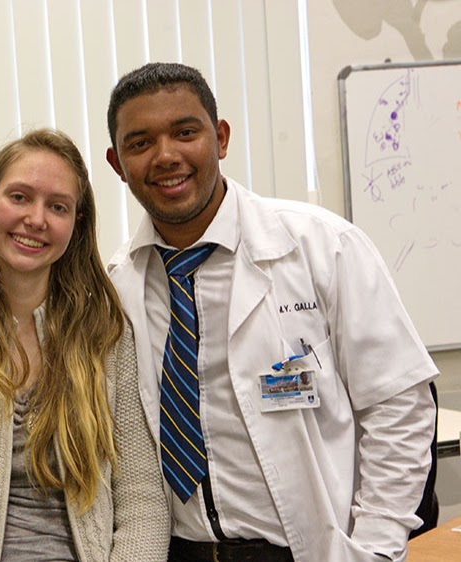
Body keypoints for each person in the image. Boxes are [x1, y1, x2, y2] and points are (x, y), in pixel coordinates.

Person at [104, 62, 438, 562]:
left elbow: (398, 407)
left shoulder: (324, 246)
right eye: (140, 143)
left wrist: (375, 546)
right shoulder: (116, 287)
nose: (166, 156)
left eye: (185, 132)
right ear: (117, 163)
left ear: (220, 138)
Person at [0, 128, 170, 561]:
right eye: (20, 197)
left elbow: (143, 503)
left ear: (76, 225)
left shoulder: (108, 337)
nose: (37, 219)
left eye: (57, 206)